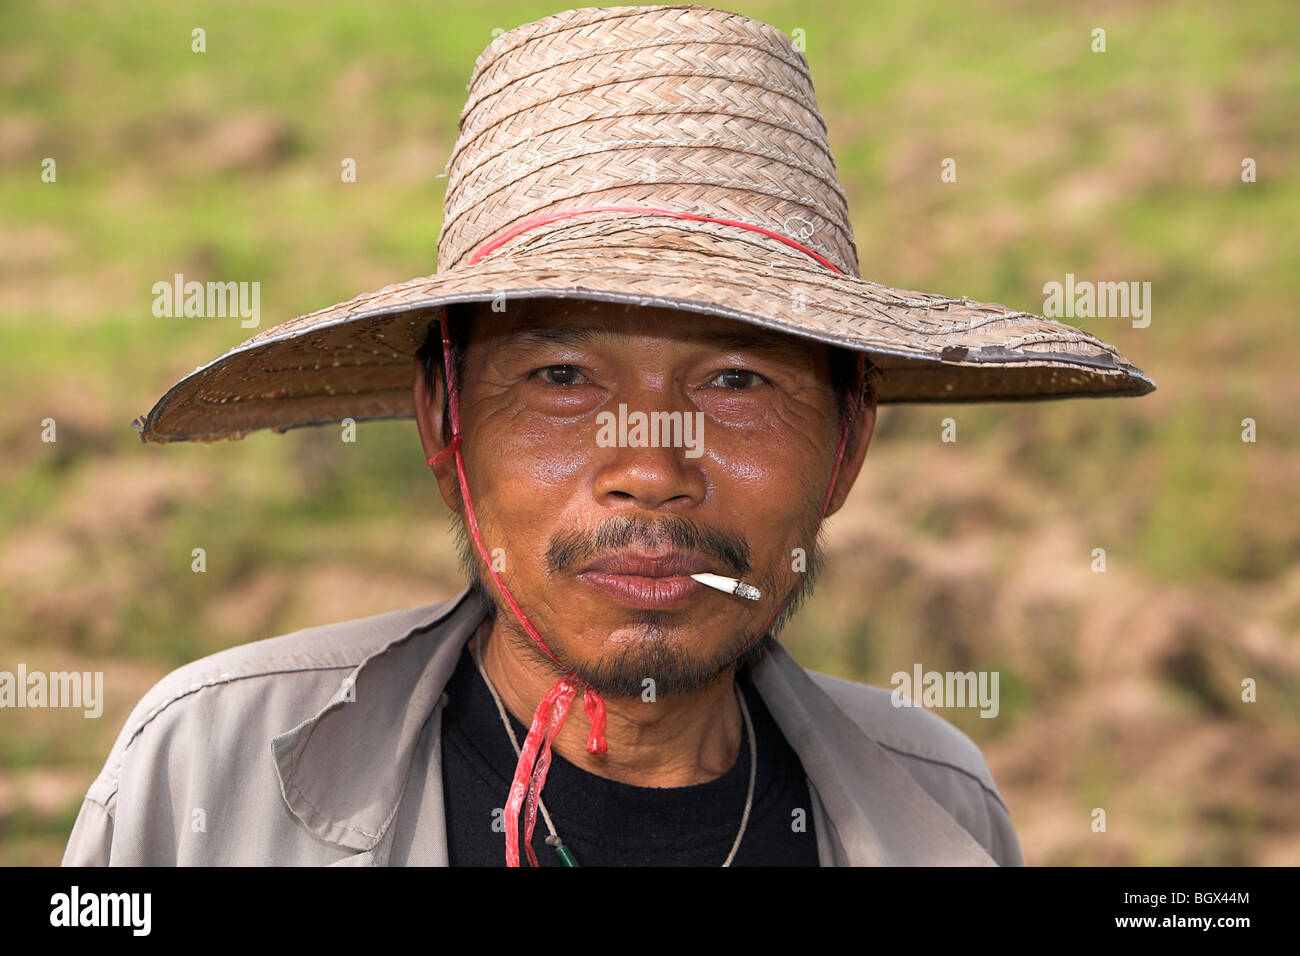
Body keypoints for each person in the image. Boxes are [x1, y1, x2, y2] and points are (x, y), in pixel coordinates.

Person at [64, 4, 1151, 866]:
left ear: (846, 442)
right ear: (443, 419)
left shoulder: (939, 810)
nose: (650, 469)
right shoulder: (206, 776)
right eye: (561, 376)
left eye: (735, 378)